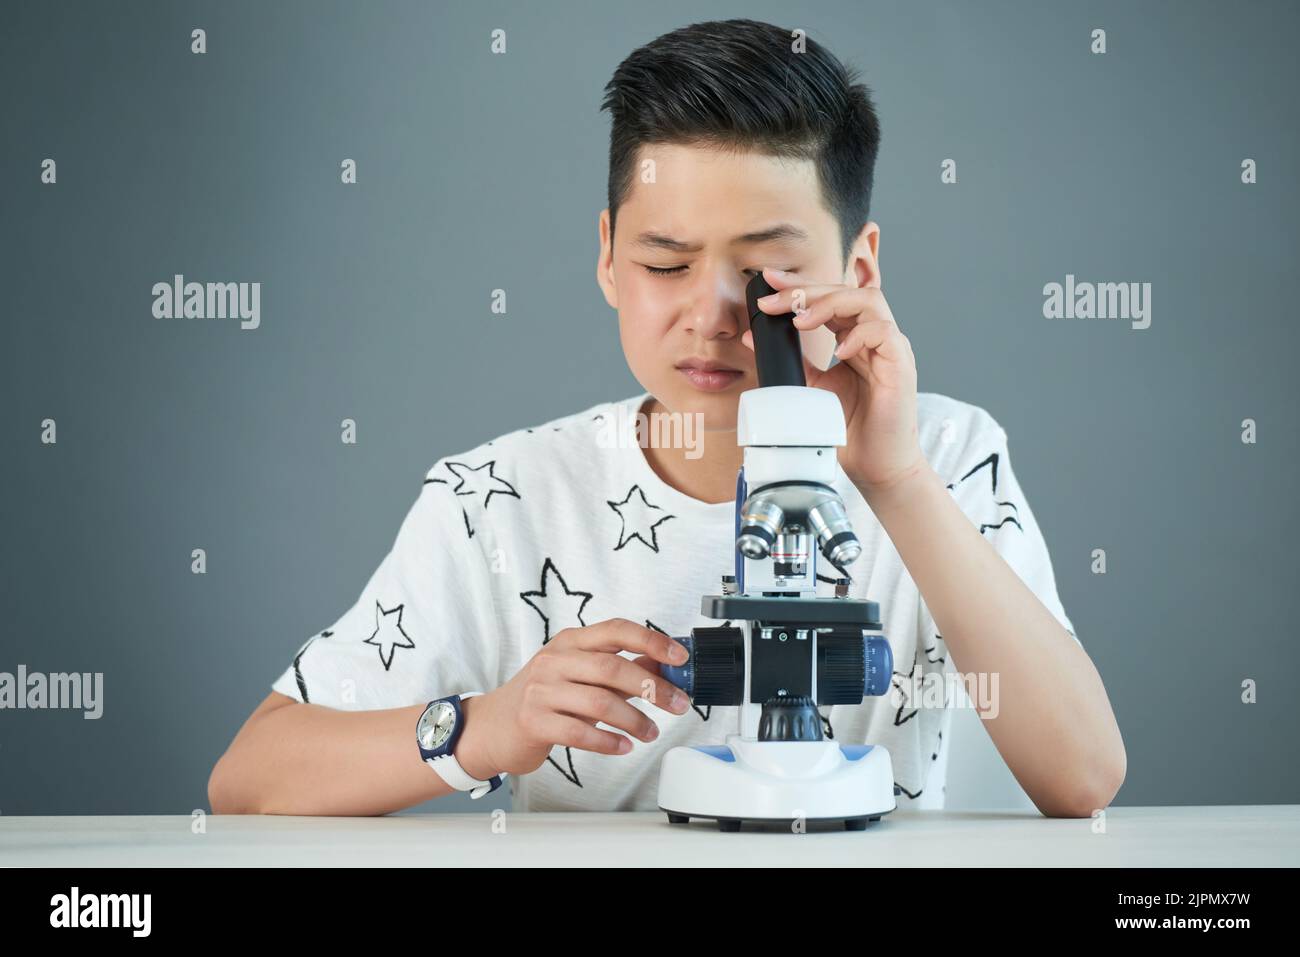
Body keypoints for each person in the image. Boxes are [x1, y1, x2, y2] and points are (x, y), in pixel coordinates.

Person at [208, 18, 1124, 819]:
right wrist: (487, 726)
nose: (713, 316)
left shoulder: (946, 455)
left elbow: (1084, 776)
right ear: (609, 256)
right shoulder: (501, 501)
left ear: (860, 268)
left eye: (765, 273)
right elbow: (249, 776)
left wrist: (898, 481)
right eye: (665, 263)